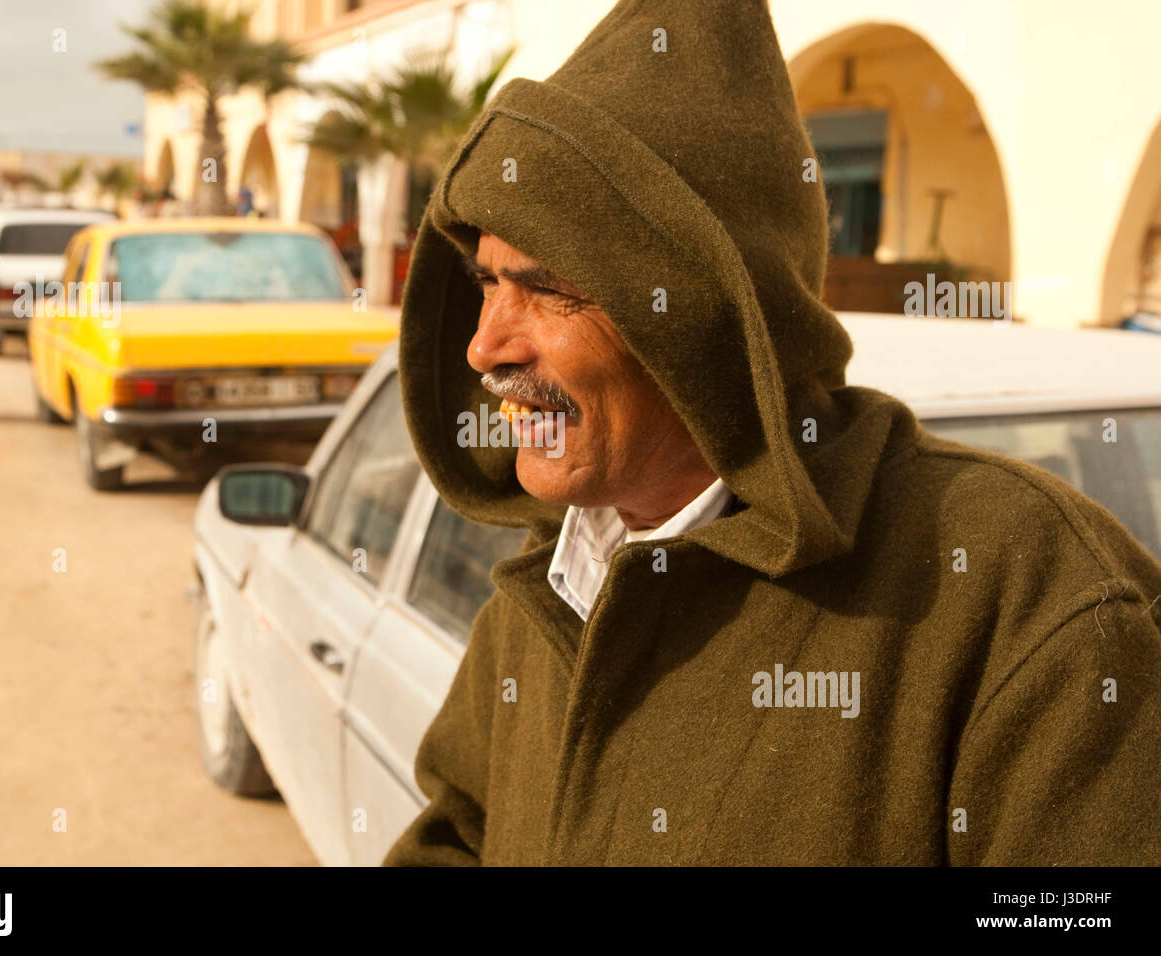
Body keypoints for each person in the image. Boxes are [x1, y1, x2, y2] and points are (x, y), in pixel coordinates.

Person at [382, 0, 1161, 865]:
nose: (485, 345)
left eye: (547, 289)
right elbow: (458, 835)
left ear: (700, 319)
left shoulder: (1023, 593)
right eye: (486, 282)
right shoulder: (555, 576)